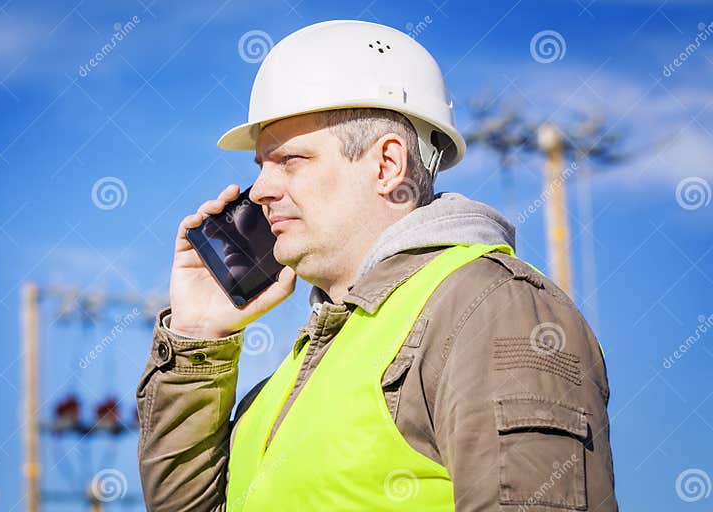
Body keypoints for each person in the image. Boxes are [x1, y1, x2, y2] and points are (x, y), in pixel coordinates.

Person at [136, 20, 617, 511]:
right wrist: (198, 337)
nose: (259, 190)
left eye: (289, 161)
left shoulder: (491, 310)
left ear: (387, 166)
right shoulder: (294, 374)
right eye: (261, 166)